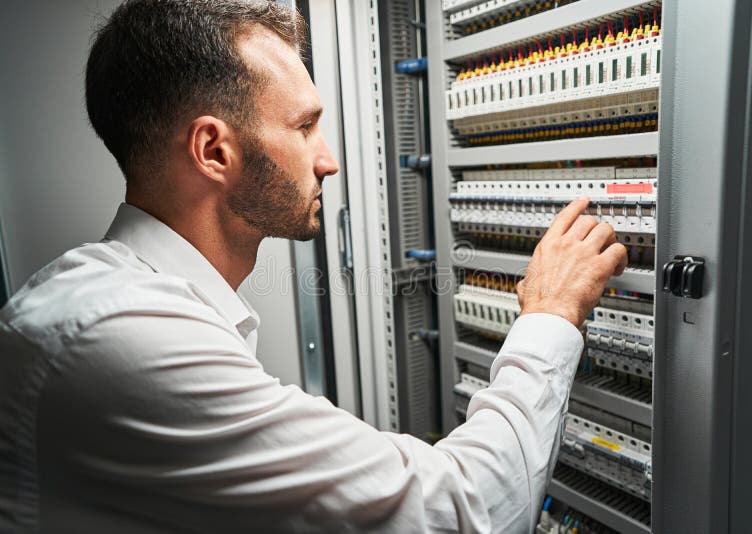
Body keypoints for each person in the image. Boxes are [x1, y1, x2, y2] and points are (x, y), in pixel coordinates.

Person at [0, 1, 628, 532]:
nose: (327, 160)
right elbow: (467, 510)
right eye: (304, 127)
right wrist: (549, 313)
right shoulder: (121, 335)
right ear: (214, 150)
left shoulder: (117, 300)